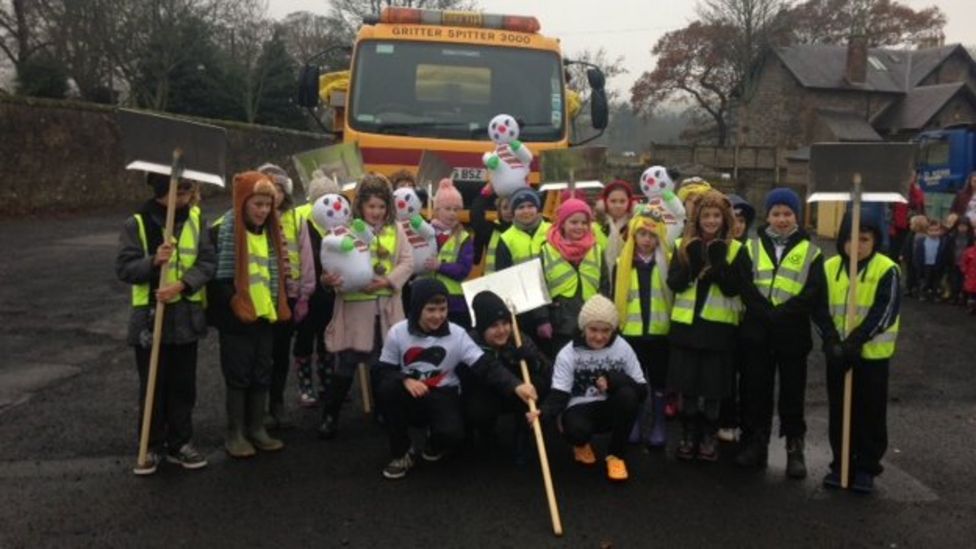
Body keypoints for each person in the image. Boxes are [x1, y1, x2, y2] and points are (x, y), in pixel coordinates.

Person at [372, 279, 537, 479]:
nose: (438, 316)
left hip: (443, 393)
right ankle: (402, 452)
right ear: (417, 308)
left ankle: (435, 440)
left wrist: (515, 385)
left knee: (452, 435)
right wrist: (405, 380)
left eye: (442, 309)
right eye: (431, 310)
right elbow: (382, 369)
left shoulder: (457, 334)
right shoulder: (398, 332)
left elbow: (485, 365)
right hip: (408, 392)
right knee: (387, 388)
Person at [116, 173, 215, 475]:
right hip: (150, 318)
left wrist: (183, 284)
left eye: (189, 190)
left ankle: (180, 443)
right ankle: (152, 443)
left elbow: (207, 262)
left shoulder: (198, 220)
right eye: (181, 190)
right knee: (153, 384)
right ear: (164, 191)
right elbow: (124, 268)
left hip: (186, 315)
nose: (187, 196)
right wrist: (153, 262)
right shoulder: (137, 223)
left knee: (183, 384)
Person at [735, 188, 825, 479]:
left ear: (796, 216)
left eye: (787, 213)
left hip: (792, 334)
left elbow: (812, 292)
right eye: (776, 213)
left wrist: (781, 315)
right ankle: (754, 444)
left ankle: (794, 448)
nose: (782, 219)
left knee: (792, 393)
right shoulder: (751, 247)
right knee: (754, 391)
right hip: (757, 333)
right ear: (767, 216)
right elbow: (745, 287)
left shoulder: (812, 251)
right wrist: (765, 313)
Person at [318, 174, 414, 439]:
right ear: (360, 205)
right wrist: (329, 281)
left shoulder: (397, 229)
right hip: (354, 310)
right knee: (345, 365)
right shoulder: (345, 230)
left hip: (386, 309)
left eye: (381, 207)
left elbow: (407, 262)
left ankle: (384, 411)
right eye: (371, 206)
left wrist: (387, 280)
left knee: (382, 364)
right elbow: (331, 267)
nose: (376, 212)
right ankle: (330, 415)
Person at [813, 208, 901, 494]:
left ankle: (866, 467)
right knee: (840, 410)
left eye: (864, 239)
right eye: (851, 239)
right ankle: (842, 464)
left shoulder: (887, 269)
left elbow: (884, 311)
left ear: (875, 240)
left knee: (869, 413)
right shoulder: (829, 267)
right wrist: (830, 340)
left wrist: (857, 339)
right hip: (838, 354)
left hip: (871, 356)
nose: (857, 245)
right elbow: (818, 308)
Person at [208, 171, 292, 458]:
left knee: (261, 372)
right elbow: (219, 277)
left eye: (267, 205)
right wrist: (235, 304)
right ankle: (235, 433)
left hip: (264, 316)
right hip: (236, 319)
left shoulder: (268, 231)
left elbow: (274, 271)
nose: (263, 210)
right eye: (257, 204)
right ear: (243, 202)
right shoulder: (228, 229)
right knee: (238, 375)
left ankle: (257, 428)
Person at [666, 190, 751, 462]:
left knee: (713, 390)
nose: (711, 220)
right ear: (697, 218)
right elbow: (674, 283)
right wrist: (692, 266)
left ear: (724, 219)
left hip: (718, 330)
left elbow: (736, 288)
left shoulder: (737, 249)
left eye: (716, 215)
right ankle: (688, 435)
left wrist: (718, 267)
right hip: (687, 328)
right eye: (706, 215)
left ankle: (708, 436)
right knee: (687, 387)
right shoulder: (682, 244)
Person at [531, 295, 648, 482]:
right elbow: (559, 393)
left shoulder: (623, 348)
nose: (599, 336)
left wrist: (613, 380)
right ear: (583, 327)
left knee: (629, 396)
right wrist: (542, 414)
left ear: (613, 329)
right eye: (593, 329)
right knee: (577, 430)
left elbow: (642, 390)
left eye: (606, 330)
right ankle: (579, 442)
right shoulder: (568, 353)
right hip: (579, 407)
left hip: (611, 405)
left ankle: (615, 455)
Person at [460, 290, 552, 464]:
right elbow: (489, 369)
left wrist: (533, 361)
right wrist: (514, 382)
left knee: (538, 384)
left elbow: (549, 370)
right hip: (485, 394)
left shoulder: (518, 338)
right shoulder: (470, 342)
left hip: (515, 396)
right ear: (482, 328)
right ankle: (485, 434)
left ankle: (524, 435)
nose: (502, 330)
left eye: (505, 323)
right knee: (476, 409)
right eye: (494, 326)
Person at [259, 163, 315, 428]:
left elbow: (306, 258)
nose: (275, 195)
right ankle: (257, 409)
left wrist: (305, 294)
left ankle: (276, 404)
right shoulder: (254, 218)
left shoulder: (295, 219)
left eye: (280, 189)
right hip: (263, 295)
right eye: (270, 189)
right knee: (261, 354)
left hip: (289, 296)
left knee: (280, 352)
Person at [612, 209, 672, 449]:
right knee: (633, 381)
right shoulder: (622, 264)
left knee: (658, 380)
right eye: (642, 234)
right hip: (632, 334)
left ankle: (658, 423)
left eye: (652, 235)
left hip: (659, 333)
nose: (647, 239)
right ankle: (633, 423)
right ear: (633, 236)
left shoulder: (666, 263)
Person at [292, 175, 341, 406]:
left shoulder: (340, 220)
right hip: (307, 292)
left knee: (327, 339)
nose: (327, 203)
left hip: (330, 293)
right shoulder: (301, 219)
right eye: (321, 198)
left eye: (331, 197)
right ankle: (305, 385)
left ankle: (327, 382)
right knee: (304, 339)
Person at [538, 197, 610, 355]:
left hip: (590, 326)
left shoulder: (597, 250)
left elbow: (604, 287)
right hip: (559, 326)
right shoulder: (546, 250)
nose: (580, 227)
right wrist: (542, 320)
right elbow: (539, 288)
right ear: (562, 223)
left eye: (584, 223)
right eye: (574, 222)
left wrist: (604, 317)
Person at [717, 194, 756, 442]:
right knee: (726, 375)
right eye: (733, 219)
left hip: (750, 322)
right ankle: (727, 419)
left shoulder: (754, 249)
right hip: (725, 321)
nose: (738, 225)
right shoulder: (719, 247)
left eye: (742, 220)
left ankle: (748, 423)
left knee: (750, 377)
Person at [494, 187, 552, 340]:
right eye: (520, 207)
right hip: (524, 309)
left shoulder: (552, 231)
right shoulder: (506, 238)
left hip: (554, 304)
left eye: (530, 206)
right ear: (514, 211)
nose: (526, 211)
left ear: (537, 208)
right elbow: (503, 277)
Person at [427, 178, 474, 328]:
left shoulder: (464, 237)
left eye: (456, 209)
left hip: (454, 303)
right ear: (437, 210)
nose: (452, 213)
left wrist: (440, 266)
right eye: (447, 209)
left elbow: (464, 270)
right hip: (426, 299)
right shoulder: (425, 232)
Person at [599, 180, 636, 268]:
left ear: (629, 202)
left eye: (622, 201)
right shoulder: (596, 225)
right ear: (605, 202)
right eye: (613, 201)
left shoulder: (635, 225)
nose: (618, 205)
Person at [912, 217, 948, 301]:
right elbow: (917, 254)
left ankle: (934, 295)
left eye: (936, 230)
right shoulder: (922, 241)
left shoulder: (942, 242)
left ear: (940, 231)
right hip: (925, 264)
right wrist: (917, 263)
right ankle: (922, 294)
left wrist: (943, 264)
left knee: (936, 281)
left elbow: (944, 254)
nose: (934, 233)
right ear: (926, 231)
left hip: (937, 264)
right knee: (925, 280)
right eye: (931, 230)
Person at [945, 216, 972, 305]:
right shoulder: (952, 236)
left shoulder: (970, 238)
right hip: (954, 262)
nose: (962, 228)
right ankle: (954, 296)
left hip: (965, 264)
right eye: (960, 226)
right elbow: (948, 249)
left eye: (965, 226)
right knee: (954, 280)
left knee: (963, 281)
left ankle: (963, 298)